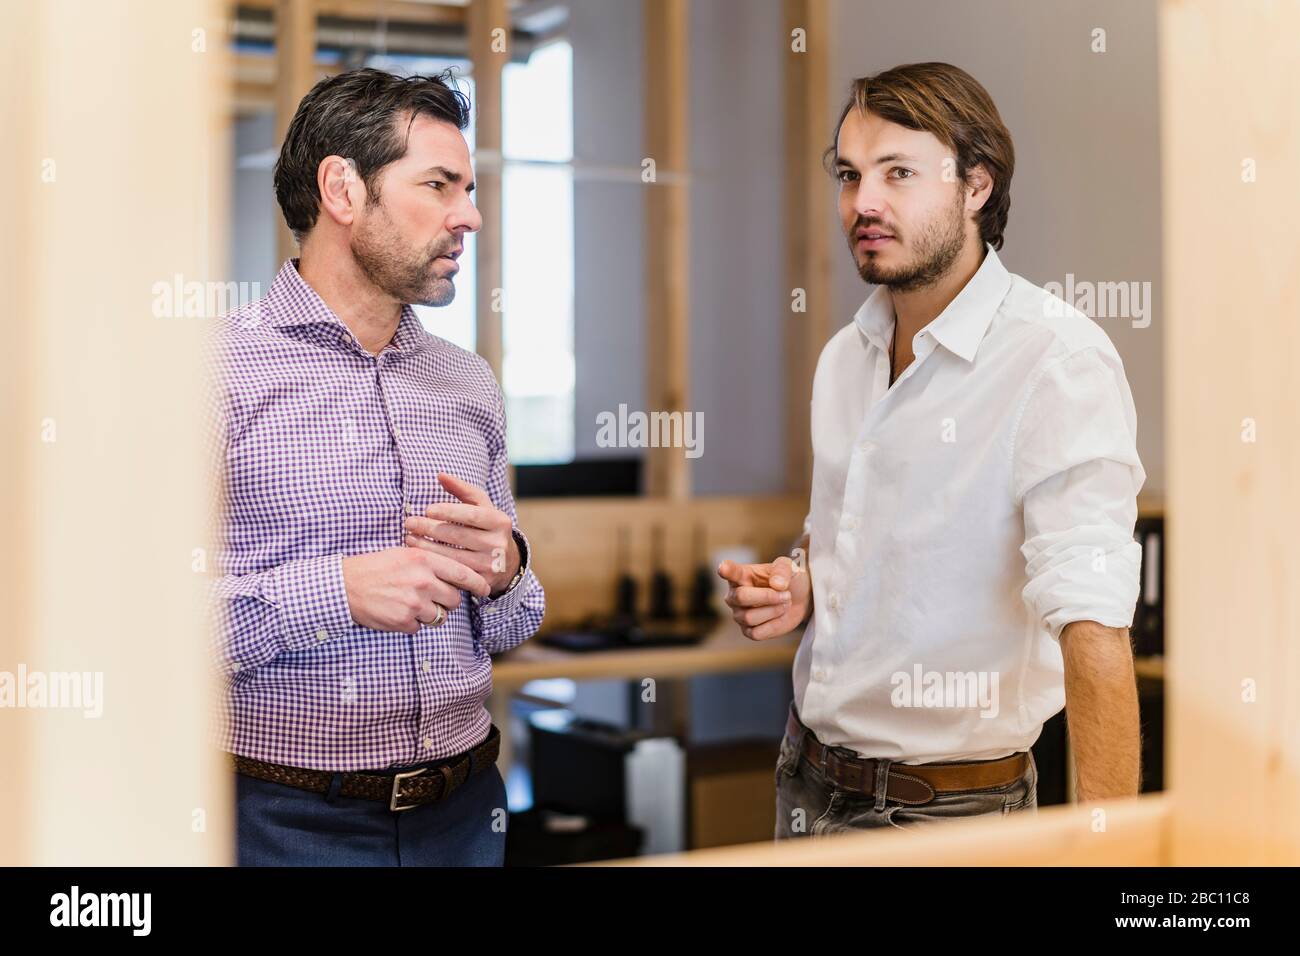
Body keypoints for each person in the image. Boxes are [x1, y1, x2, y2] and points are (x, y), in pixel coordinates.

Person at [718, 62, 1144, 837]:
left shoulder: (1056, 360)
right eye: (849, 176)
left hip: (950, 811)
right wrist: (802, 582)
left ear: (975, 186)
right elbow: (859, 533)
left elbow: (1094, 625)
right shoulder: (846, 355)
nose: (863, 203)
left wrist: (1110, 856)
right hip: (805, 778)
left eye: (898, 174)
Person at [205, 68, 544, 865]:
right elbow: (135, 628)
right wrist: (336, 592)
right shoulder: (208, 372)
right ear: (342, 190)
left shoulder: (468, 381)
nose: (471, 214)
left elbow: (515, 619)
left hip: (466, 814)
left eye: (470, 187)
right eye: (440, 184)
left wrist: (507, 570)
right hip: (284, 823)